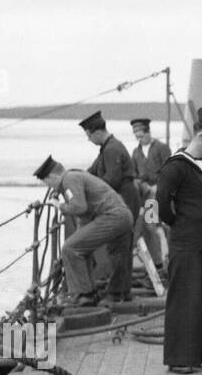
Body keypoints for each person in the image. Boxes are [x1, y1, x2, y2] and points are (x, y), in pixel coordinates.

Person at [152, 107, 202, 374]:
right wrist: (175, 223)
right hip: (185, 243)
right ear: (200, 135)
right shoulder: (176, 167)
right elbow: (160, 201)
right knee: (185, 299)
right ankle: (180, 359)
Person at [34, 156, 134, 307]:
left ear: (53, 176)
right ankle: (97, 292)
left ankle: (84, 294)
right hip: (122, 216)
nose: (49, 186)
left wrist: (58, 205)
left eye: (46, 182)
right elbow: (84, 216)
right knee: (81, 249)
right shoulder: (75, 177)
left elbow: (79, 207)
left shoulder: (69, 179)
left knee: (70, 248)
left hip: (112, 217)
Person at [79, 110, 141, 302]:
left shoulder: (111, 149)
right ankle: (124, 291)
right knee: (123, 247)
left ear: (97, 132)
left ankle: (115, 293)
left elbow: (111, 179)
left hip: (123, 199)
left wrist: (89, 191)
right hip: (124, 198)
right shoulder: (107, 148)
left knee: (117, 247)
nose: (88, 140)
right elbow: (92, 171)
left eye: (89, 135)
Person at [130, 117, 171, 269]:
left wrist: (158, 186)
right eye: (137, 137)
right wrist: (142, 185)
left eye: (141, 136)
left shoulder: (161, 148)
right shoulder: (136, 152)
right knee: (151, 225)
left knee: (153, 225)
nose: (139, 139)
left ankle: (162, 259)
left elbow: (170, 171)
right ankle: (158, 258)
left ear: (148, 133)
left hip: (161, 193)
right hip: (146, 195)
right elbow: (134, 175)